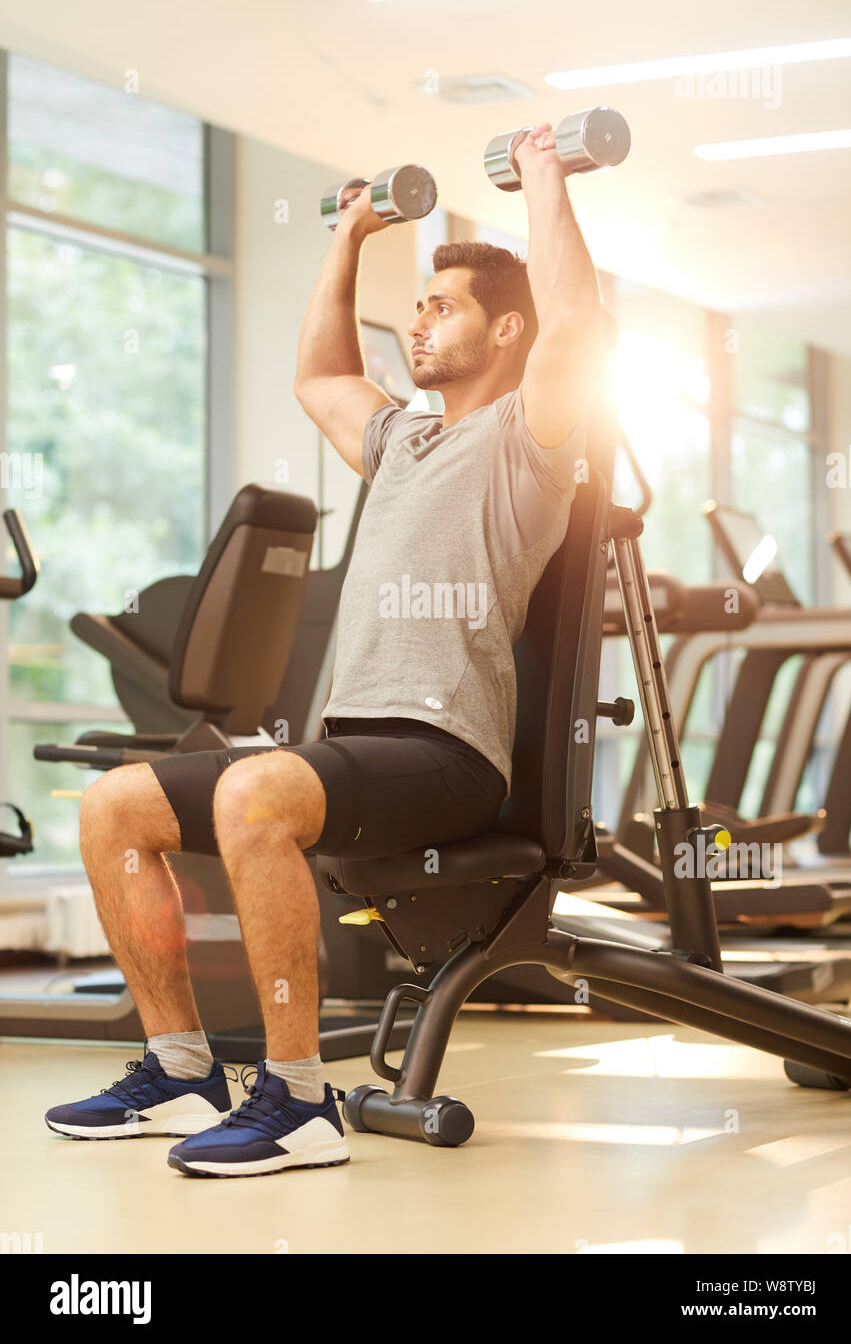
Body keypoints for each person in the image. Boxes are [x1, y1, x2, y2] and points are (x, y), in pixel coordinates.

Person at [45, 125, 611, 1177]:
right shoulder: (400, 439)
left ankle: (297, 1097)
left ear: (505, 333)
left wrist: (542, 176)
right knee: (113, 805)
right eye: (419, 302)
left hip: (445, 756)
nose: (417, 318)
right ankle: (177, 1067)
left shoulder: (529, 442)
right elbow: (319, 373)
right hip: (354, 743)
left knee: (254, 796)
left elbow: (576, 324)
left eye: (440, 305)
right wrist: (349, 235)